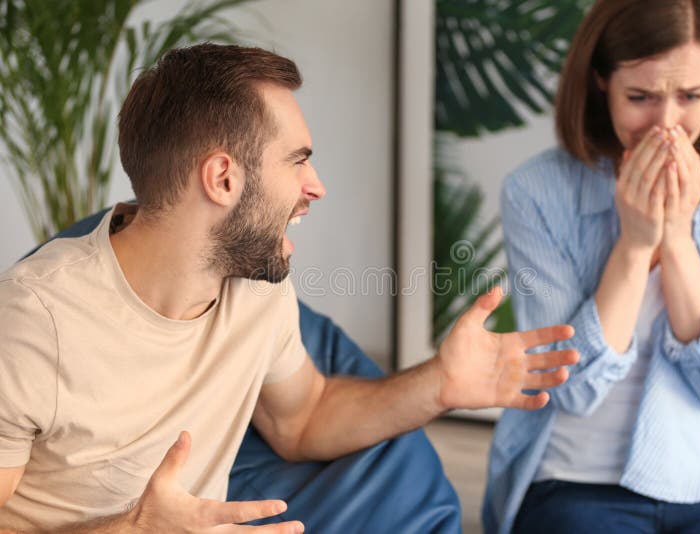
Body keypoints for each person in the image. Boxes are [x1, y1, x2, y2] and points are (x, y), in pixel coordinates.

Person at [0, 43, 580, 533]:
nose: (316, 186)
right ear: (224, 178)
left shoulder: (255, 287)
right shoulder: (32, 321)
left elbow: (302, 419)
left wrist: (441, 384)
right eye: (297, 161)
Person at [483, 1, 700, 533]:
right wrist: (633, 244)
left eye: (690, 96)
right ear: (601, 80)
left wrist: (677, 238)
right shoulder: (536, 191)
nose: (666, 125)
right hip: (572, 476)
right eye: (641, 97)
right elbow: (570, 386)